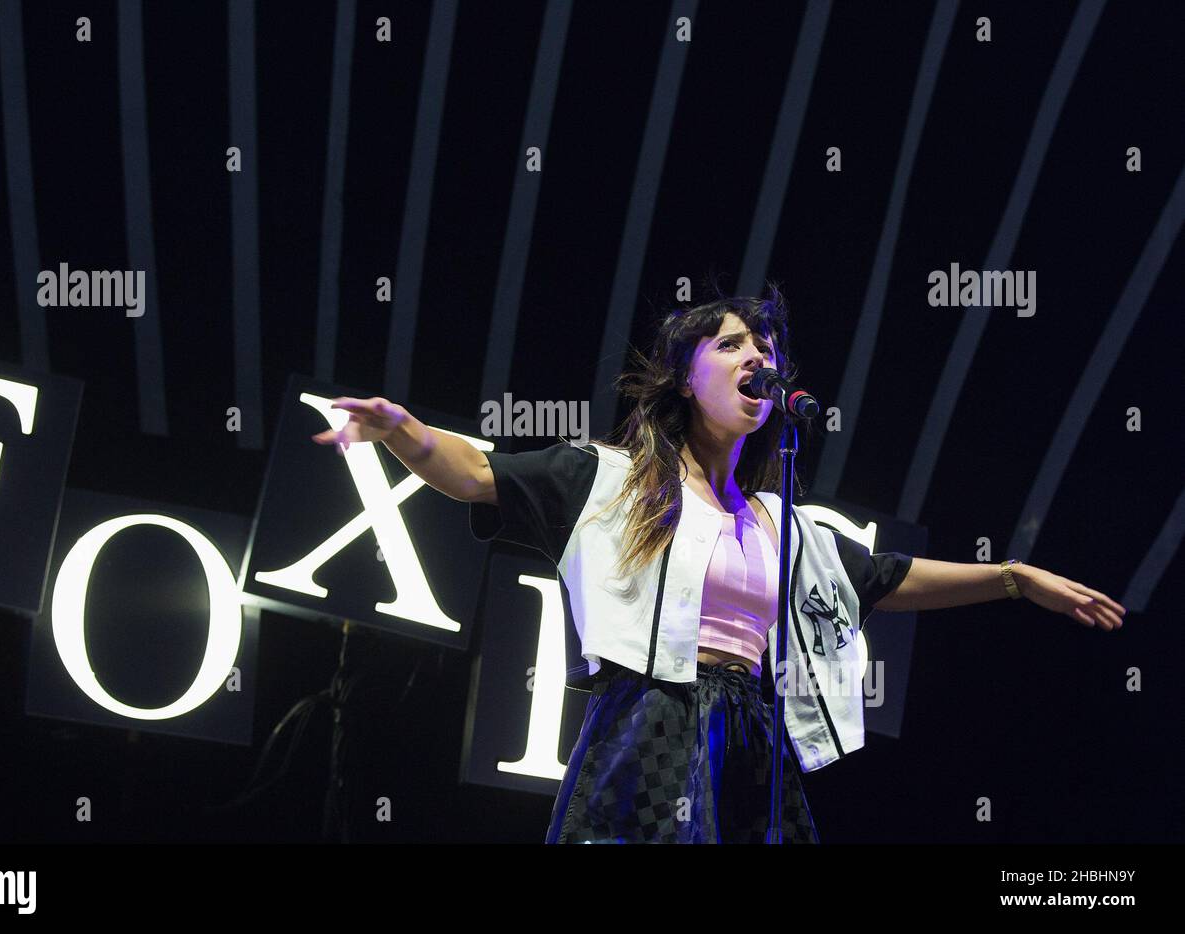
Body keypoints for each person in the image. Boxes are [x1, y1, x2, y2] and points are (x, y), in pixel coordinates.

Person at [311, 286, 1126, 844]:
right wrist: (402, 431)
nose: (756, 355)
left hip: (749, 733)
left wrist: (1013, 578)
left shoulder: (781, 523)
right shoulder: (611, 480)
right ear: (685, 373)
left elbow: (887, 576)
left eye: (766, 347)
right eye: (732, 342)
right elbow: (480, 470)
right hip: (649, 718)